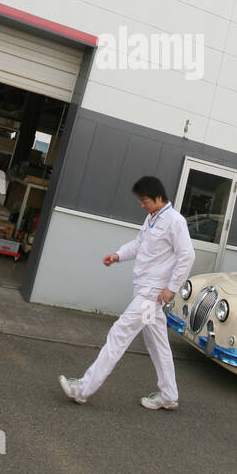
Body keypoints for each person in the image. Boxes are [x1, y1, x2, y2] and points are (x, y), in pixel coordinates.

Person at [59, 176, 195, 410]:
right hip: (146, 289)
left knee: (119, 333)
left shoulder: (175, 221)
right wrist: (118, 255)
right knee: (157, 343)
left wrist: (171, 288)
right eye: (140, 201)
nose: (142, 205)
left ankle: (83, 389)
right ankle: (169, 394)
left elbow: (187, 256)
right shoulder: (152, 218)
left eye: (145, 201)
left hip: (152, 294)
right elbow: (139, 244)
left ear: (158, 197)